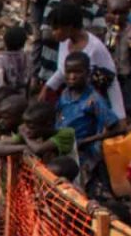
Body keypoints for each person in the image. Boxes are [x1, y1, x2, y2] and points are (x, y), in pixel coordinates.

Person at [41, 1, 127, 120]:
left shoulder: (95, 48)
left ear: (69, 27)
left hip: (92, 104)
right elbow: (62, 70)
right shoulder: (65, 42)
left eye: (56, 28)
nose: (53, 33)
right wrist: (47, 88)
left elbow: (111, 81)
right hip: (73, 98)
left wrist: (120, 115)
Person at [52, 52, 124, 180]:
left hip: (83, 155)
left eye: (77, 72)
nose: (72, 77)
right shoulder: (65, 93)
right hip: (64, 148)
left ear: (87, 73)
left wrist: (85, 142)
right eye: (68, 72)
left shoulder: (93, 100)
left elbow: (117, 128)